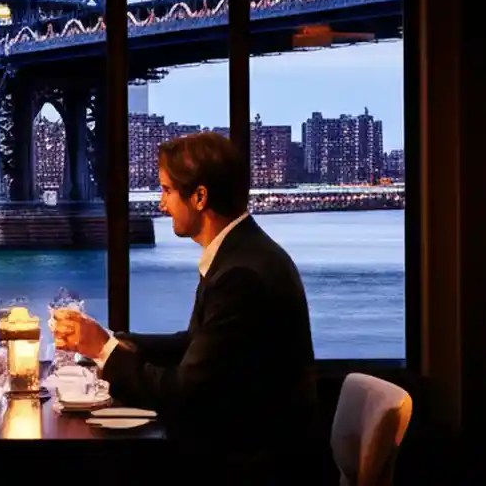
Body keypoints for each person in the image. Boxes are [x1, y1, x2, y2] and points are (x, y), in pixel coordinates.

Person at [55, 133, 321, 483]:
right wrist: (110, 341)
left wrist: (105, 351)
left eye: (166, 190)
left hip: (249, 465)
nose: (161, 204)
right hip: (247, 449)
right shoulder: (243, 253)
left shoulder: (240, 275)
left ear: (199, 197)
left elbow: (186, 393)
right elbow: (196, 344)